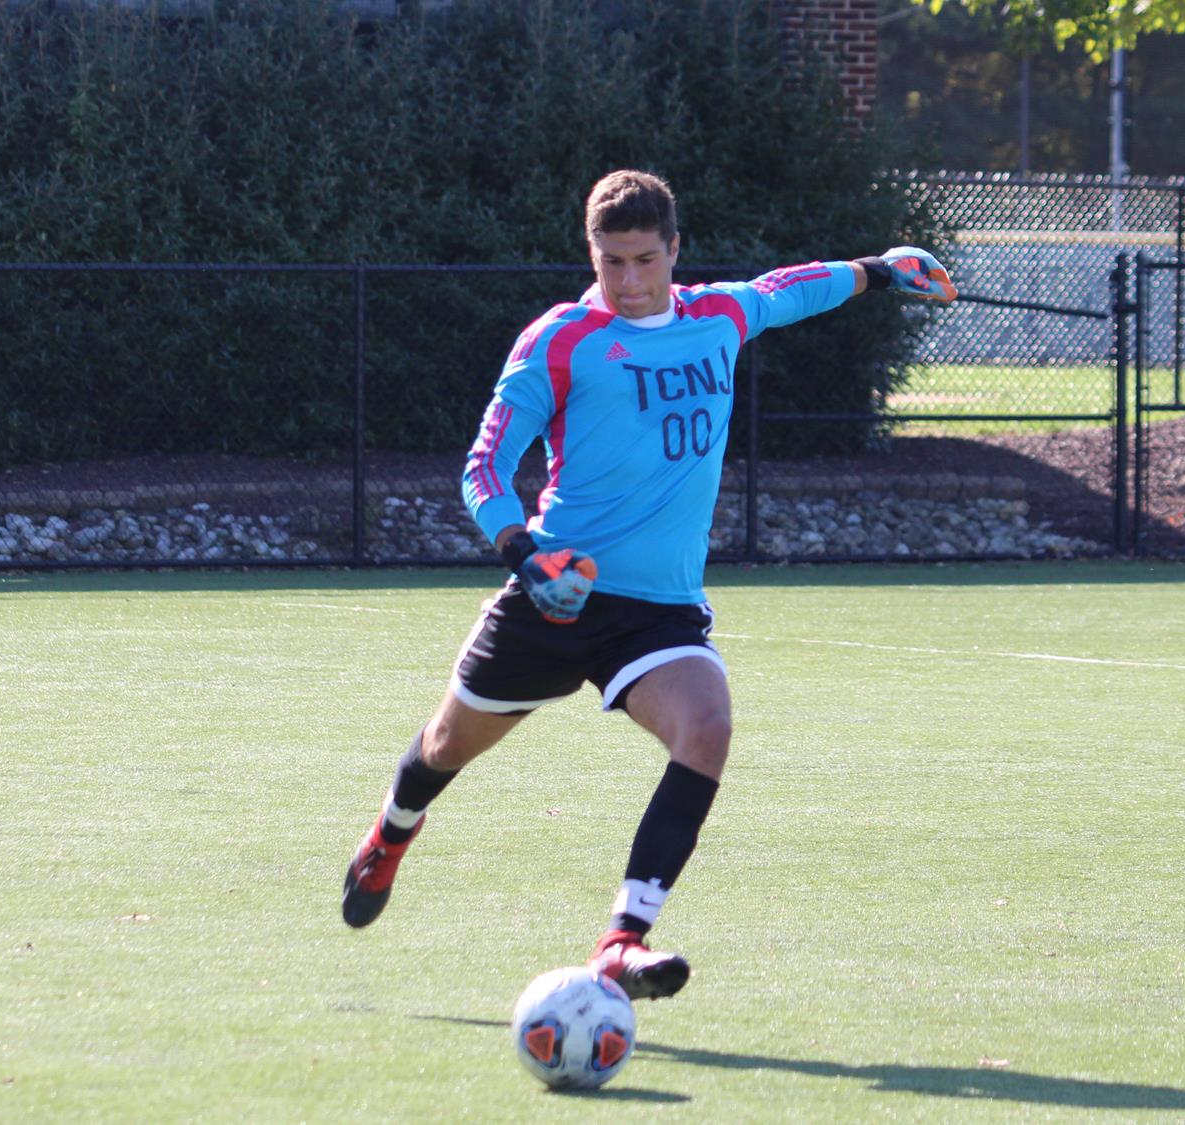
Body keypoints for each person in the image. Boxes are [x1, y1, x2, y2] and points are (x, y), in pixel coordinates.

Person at [340, 169, 956, 1000]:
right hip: (554, 598)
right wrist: (524, 555)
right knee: (445, 748)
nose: (627, 281)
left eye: (643, 260)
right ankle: (390, 834)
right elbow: (483, 465)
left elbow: (789, 289)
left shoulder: (719, 315)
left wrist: (880, 268)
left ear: (676, 251)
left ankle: (623, 940)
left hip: (657, 611)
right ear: (589, 254)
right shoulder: (560, 338)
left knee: (706, 727)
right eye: (609, 262)